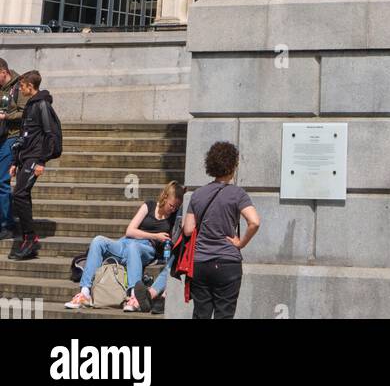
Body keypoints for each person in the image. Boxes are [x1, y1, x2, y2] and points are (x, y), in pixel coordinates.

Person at [65, 181, 183, 312]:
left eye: (176, 207)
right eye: (171, 205)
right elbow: (130, 231)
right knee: (98, 241)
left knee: (134, 247)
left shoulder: (173, 218)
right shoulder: (149, 206)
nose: (173, 209)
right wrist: (156, 236)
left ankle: (135, 296)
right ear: (165, 197)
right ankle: (85, 292)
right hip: (125, 242)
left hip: (146, 248)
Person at [184, 141, 260, 320]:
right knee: (224, 315)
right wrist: (240, 243)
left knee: (201, 314)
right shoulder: (237, 194)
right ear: (233, 166)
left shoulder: (198, 194)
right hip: (227, 263)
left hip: (200, 262)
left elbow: (188, 230)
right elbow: (254, 222)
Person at [8, 70, 61, 261]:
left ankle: (30, 239)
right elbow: (24, 136)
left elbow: (50, 134)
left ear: (31, 86)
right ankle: (27, 239)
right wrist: (15, 161)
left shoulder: (42, 105)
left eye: (22, 86)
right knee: (22, 195)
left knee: (19, 194)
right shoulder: (30, 106)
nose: (20, 89)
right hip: (25, 157)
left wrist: (41, 161)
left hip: (34, 158)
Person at [0, 59, 24, 238]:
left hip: (11, 137)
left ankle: (7, 224)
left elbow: (27, 111)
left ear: (3, 71)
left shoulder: (20, 86)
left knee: (2, 181)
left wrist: (6, 116)